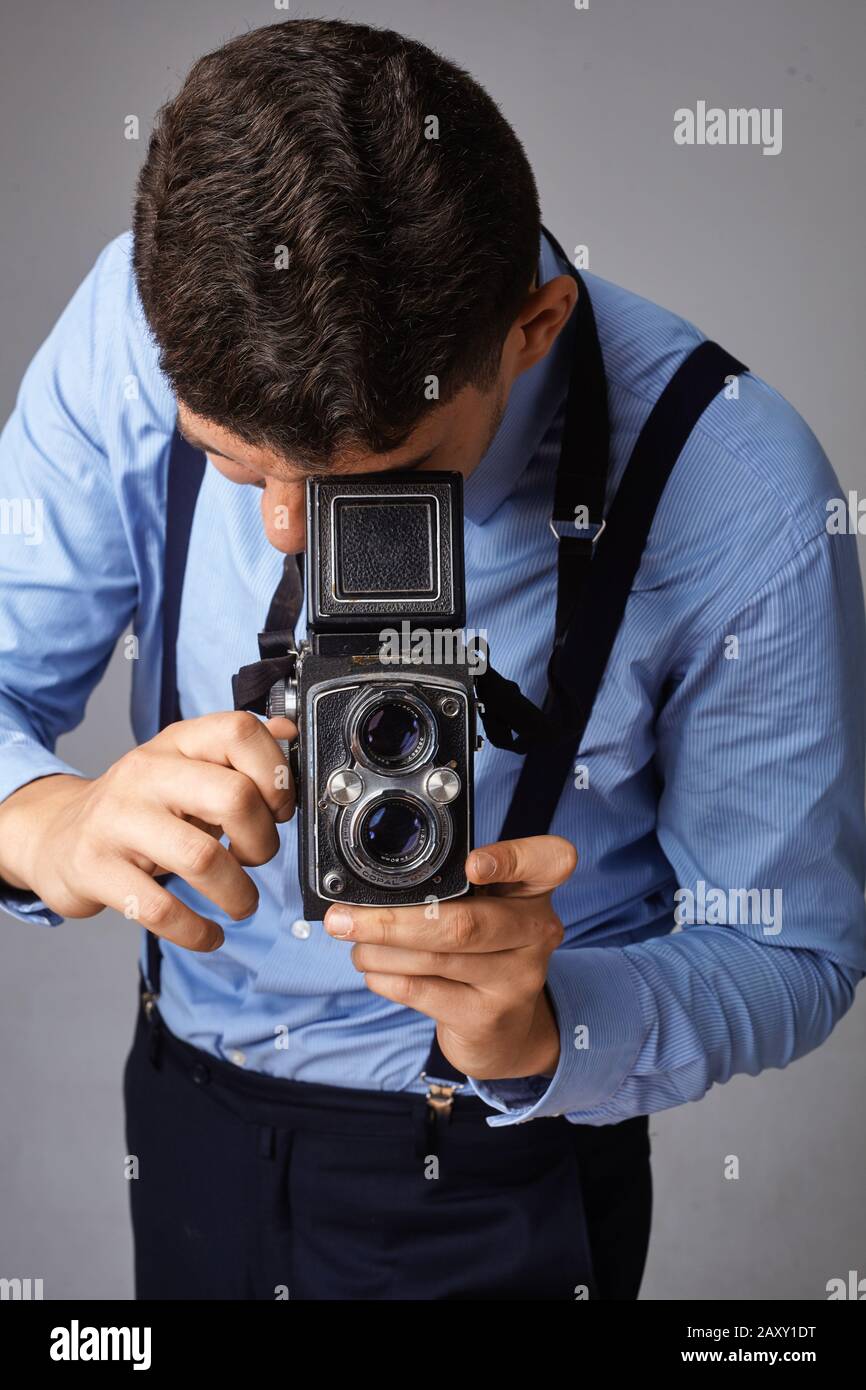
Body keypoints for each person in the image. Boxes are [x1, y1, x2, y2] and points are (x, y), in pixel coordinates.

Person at [0, 17, 863, 1302]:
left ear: (533, 328)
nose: (291, 532)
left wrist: (546, 1024)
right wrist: (44, 820)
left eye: (387, 478)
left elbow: (797, 947)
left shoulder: (739, 496)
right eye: (234, 464)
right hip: (185, 1122)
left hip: (501, 1172)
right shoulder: (135, 322)